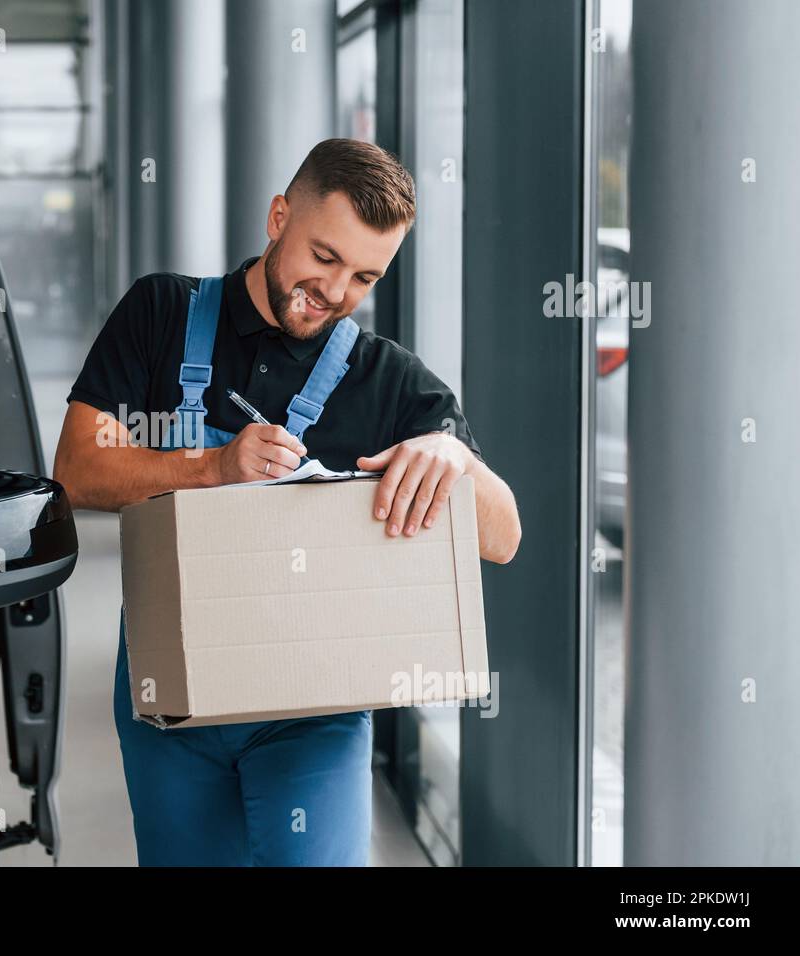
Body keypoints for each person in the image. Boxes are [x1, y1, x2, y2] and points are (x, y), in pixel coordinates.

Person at [54, 138, 521, 866]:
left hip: (315, 712)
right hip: (170, 690)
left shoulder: (387, 379)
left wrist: (455, 457)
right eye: (325, 258)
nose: (335, 292)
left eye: (365, 276)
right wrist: (211, 465)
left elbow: (504, 536)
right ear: (279, 217)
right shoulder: (160, 312)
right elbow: (79, 467)